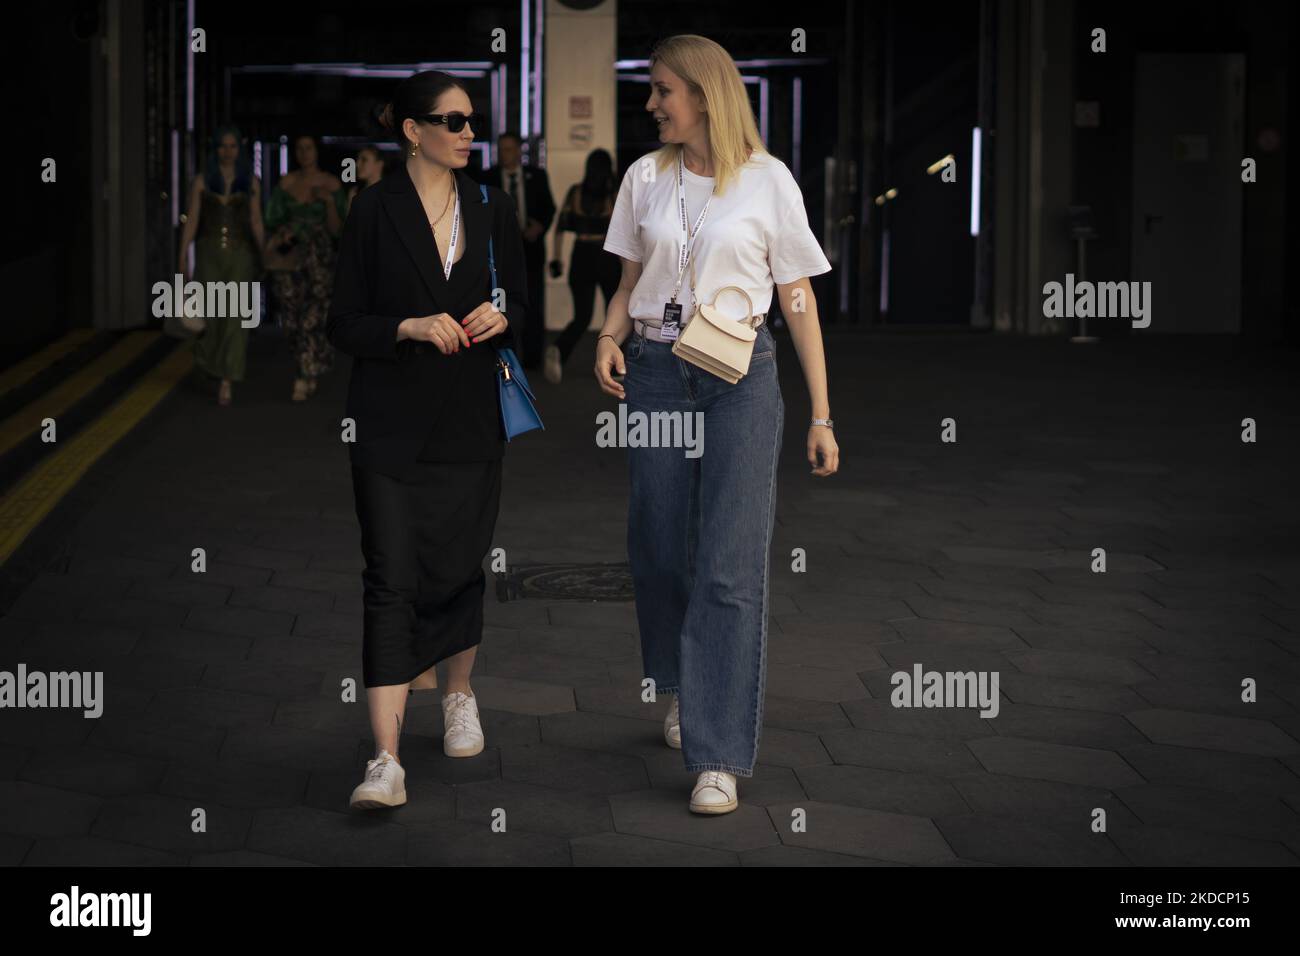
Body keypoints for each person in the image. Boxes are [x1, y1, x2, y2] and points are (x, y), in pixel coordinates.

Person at [594, 34, 839, 815]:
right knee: (659, 545)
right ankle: (681, 683)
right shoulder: (645, 177)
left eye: (662, 90)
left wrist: (822, 414)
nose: (652, 104)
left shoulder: (768, 182)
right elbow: (629, 276)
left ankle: (718, 754)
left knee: (729, 566)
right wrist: (607, 335)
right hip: (659, 372)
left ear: (703, 93)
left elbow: (797, 300)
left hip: (741, 378)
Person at [327, 70, 527, 811]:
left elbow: (524, 309)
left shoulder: (492, 206)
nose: (469, 133)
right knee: (389, 577)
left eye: (473, 121)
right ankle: (383, 759)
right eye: (453, 121)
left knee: (458, 567)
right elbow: (342, 322)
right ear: (413, 130)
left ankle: (457, 694)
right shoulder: (373, 210)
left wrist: (502, 319)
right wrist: (407, 327)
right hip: (387, 424)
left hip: (472, 422)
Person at [178, 125, 264, 406]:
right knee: (212, 314)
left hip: (240, 254)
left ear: (240, 150)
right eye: (222, 146)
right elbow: (192, 219)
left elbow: (255, 221)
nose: (228, 151)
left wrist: (265, 253)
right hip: (208, 252)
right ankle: (211, 363)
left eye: (233, 146)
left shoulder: (251, 181)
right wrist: (182, 256)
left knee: (236, 316)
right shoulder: (203, 181)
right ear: (216, 150)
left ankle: (228, 377)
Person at [264, 133, 347, 401]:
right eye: (299, 148)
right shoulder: (286, 183)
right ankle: (308, 365)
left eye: (308, 147)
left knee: (314, 315)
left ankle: (305, 373)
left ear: (317, 150)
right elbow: (271, 218)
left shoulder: (331, 184)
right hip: (291, 256)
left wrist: (328, 202)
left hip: (319, 256)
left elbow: (339, 230)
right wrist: (283, 232)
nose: (304, 153)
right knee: (291, 316)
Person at [480, 131, 555, 369]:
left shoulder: (537, 175)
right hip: (499, 252)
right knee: (501, 301)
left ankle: (533, 360)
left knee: (533, 302)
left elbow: (549, 207)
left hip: (531, 250)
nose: (505, 154)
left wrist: (539, 226)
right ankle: (504, 353)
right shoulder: (488, 178)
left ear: (518, 151)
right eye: (501, 149)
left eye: (510, 149)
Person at [545, 148, 620, 384]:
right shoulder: (614, 195)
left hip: (581, 256)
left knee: (582, 317)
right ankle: (616, 365)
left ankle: (559, 349)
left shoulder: (575, 192)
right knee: (615, 314)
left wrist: (556, 259)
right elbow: (625, 232)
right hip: (607, 256)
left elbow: (559, 229)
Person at [345, 144, 386, 217]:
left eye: (364, 160)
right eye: (358, 159)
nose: (357, 164)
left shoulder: (389, 193)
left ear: (379, 164)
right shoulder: (355, 193)